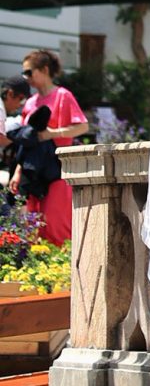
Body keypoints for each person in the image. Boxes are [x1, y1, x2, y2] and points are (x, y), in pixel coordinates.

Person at [14, 50, 86, 244]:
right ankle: (39, 267)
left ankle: (62, 269)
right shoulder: (30, 103)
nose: (26, 77)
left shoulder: (63, 96)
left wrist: (52, 134)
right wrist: (18, 172)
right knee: (32, 220)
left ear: (44, 70)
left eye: (29, 72)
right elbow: (25, 140)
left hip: (57, 167)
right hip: (33, 169)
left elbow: (82, 126)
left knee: (55, 221)